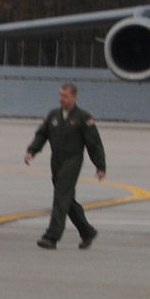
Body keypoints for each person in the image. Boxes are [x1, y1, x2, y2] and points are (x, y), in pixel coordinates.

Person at [25, 81, 106, 249]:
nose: (62, 98)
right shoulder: (54, 115)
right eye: (60, 95)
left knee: (60, 197)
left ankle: (51, 237)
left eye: (65, 96)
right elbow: (42, 134)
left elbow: (94, 143)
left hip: (72, 161)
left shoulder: (83, 118)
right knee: (67, 200)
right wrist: (32, 151)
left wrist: (100, 166)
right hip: (56, 161)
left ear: (74, 97)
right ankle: (87, 231)